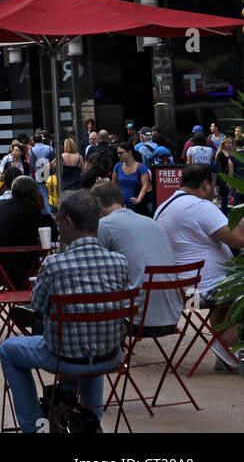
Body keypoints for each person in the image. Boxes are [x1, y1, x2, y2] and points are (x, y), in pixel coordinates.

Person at [0, 191, 128, 433]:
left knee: (8, 349)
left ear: (67, 222)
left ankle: (35, 426)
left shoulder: (54, 264)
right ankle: (90, 420)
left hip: (65, 358)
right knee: (94, 337)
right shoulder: (119, 262)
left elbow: (36, 308)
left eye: (58, 221)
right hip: (110, 355)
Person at [154, 164, 244, 371]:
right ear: (205, 184)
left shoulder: (164, 206)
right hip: (197, 293)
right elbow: (239, 239)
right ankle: (225, 345)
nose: (214, 190)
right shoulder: (199, 206)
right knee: (234, 289)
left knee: (226, 294)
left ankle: (226, 356)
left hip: (182, 294)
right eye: (213, 185)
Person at [93, 185, 182, 334]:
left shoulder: (105, 224)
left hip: (134, 320)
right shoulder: (151, 222)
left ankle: (106, 354)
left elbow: (93, 270)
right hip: (172, 318)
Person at [0, 176, 54, 290]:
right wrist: (43, 209)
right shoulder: (31, 210)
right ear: (33, 195)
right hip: (17, 272)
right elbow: (52, 235)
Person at [114, 143, 153, 216]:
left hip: (137, 207)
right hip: (121, 205)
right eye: (118, 154)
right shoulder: (117, 166)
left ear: (129, 152)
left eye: (121, 153)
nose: (119, 155)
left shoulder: (141, 167)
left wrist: (138, 199)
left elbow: (145, 185)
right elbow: (114, 185)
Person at [215, 136, 239, 208]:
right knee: (224, 199)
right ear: (223, 143)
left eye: (232, 143)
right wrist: (225, 180)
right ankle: (224, 215)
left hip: (234, 179)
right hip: (224, 180)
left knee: (235, 199)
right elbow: (219, 169)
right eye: (228, 143)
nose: (230, 145)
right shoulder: (220, 154)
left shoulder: (234, 154)